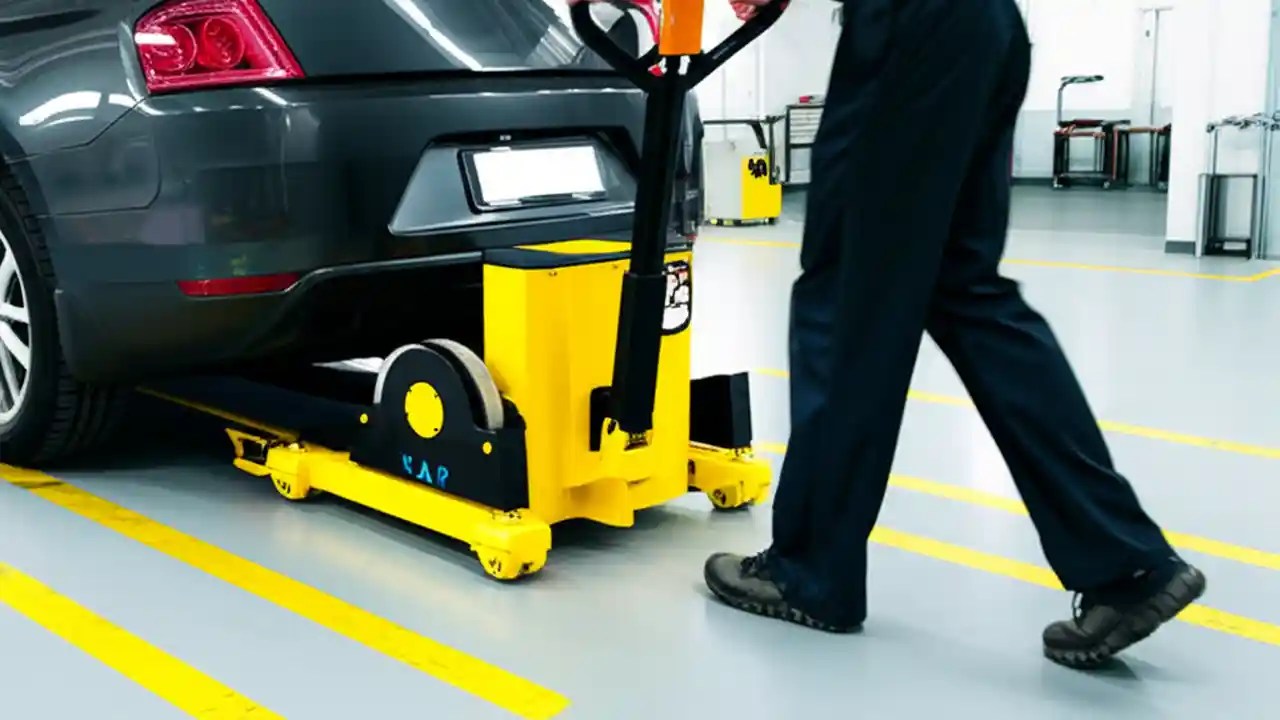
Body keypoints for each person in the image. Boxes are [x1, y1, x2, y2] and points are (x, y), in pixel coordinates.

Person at [693, 0, 1205, 669]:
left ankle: (810, 572)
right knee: (967, 292)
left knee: (847, 298)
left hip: (909, 31)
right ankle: (1124, 562)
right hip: (986, 26)